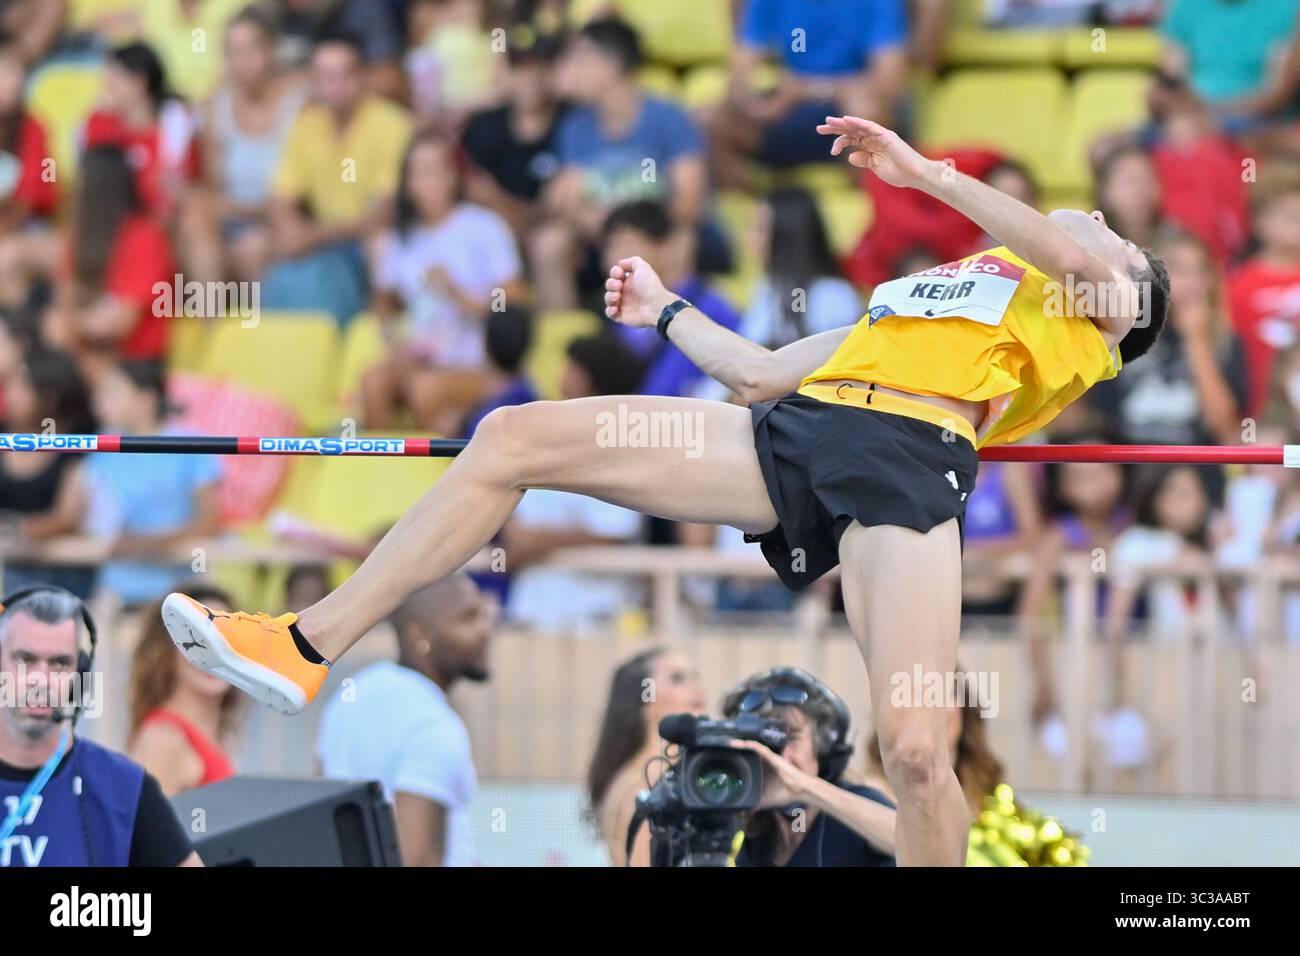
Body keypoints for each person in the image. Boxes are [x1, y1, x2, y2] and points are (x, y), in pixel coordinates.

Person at [162, 114, 1170, 867]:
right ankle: (300, 644)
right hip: (800, 432)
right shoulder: (958, 286)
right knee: (513, 436)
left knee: (912, 748)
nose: (1096, 227)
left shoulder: (1097, 311)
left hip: (908, 457)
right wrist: (665, 308)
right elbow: (761, 373)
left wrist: (921, 173)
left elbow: (1076, 254)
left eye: (1119, 239)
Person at [0, 587, 201, 866]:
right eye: (25, 660)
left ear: (79, 673)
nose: (41, 680)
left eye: (60, 663)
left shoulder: (122, 785)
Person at [316, 572, 492, 867]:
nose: (485, 630)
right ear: (420, 635)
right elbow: (416, 858)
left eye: (484, 615)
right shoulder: (432, 721)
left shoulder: (352, 694)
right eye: (467, 618)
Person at [531, 18, 707, 310]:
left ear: (612, 63)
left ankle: (667, 337)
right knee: (549, 243)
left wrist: (632, 230)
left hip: (658, 229)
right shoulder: (575, 126)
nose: (572, 68)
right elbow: (563, 201)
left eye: (582, 58)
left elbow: (689, 204)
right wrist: (607, 226)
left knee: (681, 238)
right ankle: (562, 337)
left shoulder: (669, 118)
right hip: (599, 233)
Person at [363, 131, 524, 434]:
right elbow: (384, 302)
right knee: (373, 382)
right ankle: (379, 474)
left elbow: (513, 300)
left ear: (453, 177)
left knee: (425, 389)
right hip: (424, 356)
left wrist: (458, 294)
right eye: (417, 173)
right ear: (406, 183)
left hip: (479, 361)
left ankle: (440, 475)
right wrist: (394, 340)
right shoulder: (401, 237)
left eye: (434, 171)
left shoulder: (484, 226)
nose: (426, 183)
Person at [84, 360, 223, 608]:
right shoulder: (102, 446)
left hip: (183, 591)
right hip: (117, 591)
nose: (100, 403)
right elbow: (87, 517)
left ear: (146, 398)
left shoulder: (191, 444)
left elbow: (209, 521)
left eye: (113, 393)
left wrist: (146, 543)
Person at [725, 668, 896, 867]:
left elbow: (913, 841)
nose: (779, 756)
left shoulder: (856, 804)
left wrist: (803, 788)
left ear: (822, 745)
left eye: (791, 737)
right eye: (766, 743)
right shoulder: (758, 832)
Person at [585, 646, 707, 867]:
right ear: (644, 700)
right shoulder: (643, 784)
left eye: (695, 675)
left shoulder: (660, 773)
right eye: (677, 678)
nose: (696, 686)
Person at [128, 583, 242, 796]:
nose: (212, 654)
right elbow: (140, 827)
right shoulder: (163, 740)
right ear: (166, 651)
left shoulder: (215, 735)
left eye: (225, 637)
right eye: (197, 639)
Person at [0, 348, 95, 598]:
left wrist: (15, 529)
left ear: (48, 398)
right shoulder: (3, 436)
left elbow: (68, 517)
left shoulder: (77, 446)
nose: (10, 394)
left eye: (21, 386)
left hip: (62, 575)